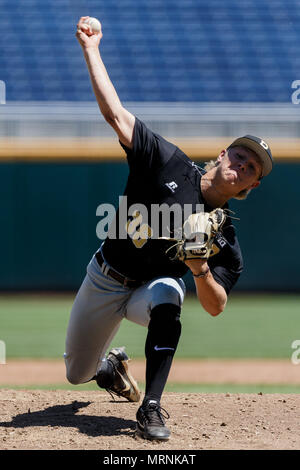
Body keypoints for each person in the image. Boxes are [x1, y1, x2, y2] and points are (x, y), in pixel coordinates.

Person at [64, 16, 274, 441]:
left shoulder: (225, 239)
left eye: (251, 169)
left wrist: (199, 268)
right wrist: (91, 50)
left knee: (169, 292)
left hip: (148, 293)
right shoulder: (166, 162)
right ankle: (111, 368)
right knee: (76, 373)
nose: (242, 166)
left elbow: (215, 306)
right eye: (239, 155)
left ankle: (152, 407)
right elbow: (115, 115)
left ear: (252, 186)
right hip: (105, 277)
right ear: (221, 154)